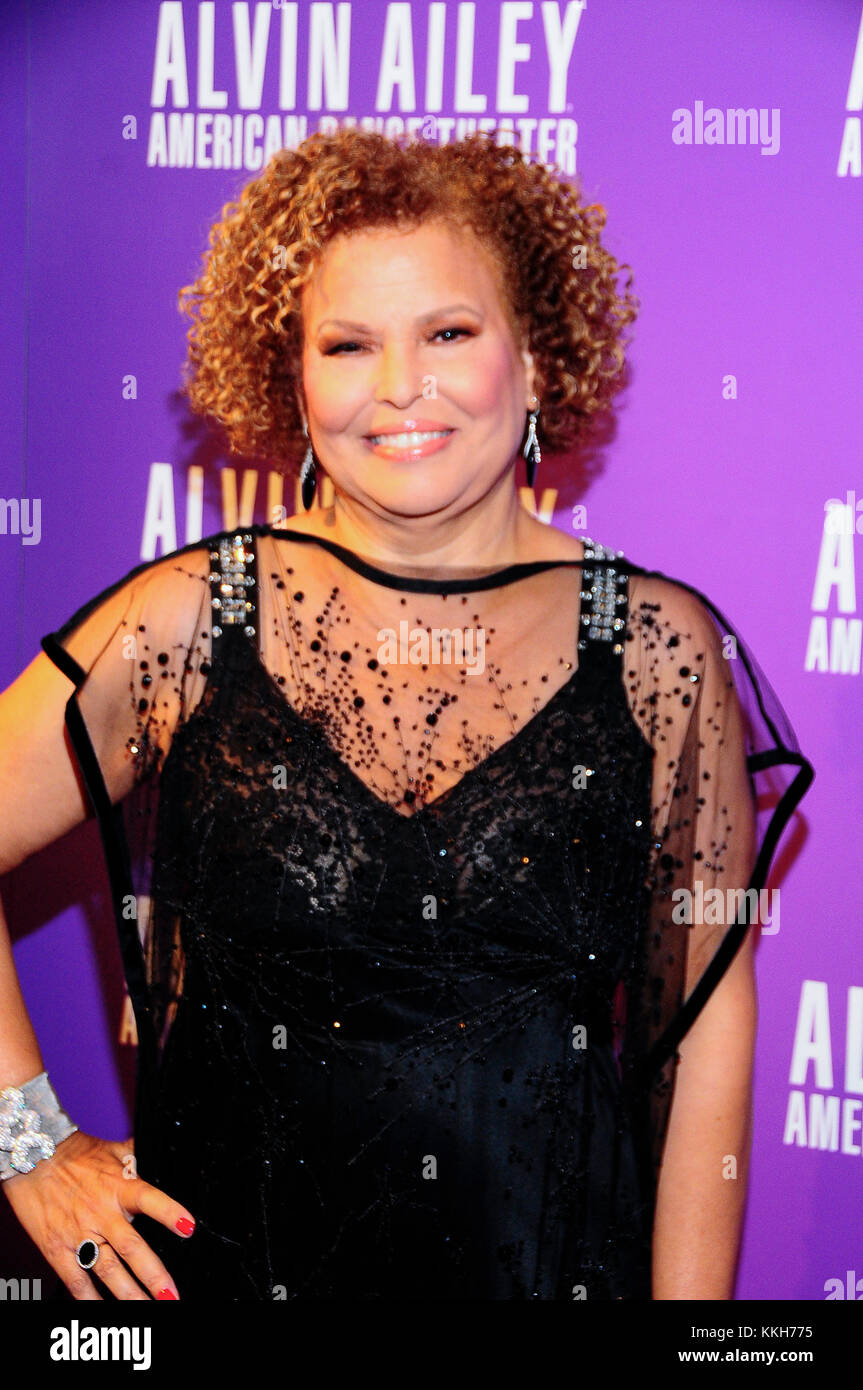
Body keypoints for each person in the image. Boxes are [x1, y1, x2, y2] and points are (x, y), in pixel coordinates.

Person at [0, 129, 812, 1300]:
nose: (397, 387)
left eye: (446, 333)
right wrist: (28, 1144)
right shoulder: (182, 622)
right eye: (347, 344)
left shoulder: (655, 651)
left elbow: (703, 1036)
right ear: (293, 378)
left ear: (533, 357)